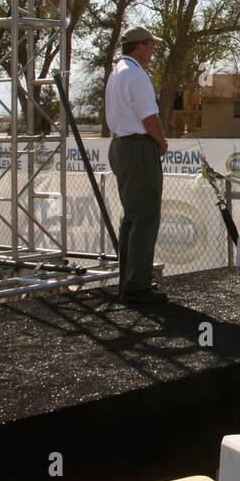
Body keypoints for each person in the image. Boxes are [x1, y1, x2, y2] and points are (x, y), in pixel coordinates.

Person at [105, 26, 169, 304]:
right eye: (150, 45)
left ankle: (128, 281)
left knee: (131, 215)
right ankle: (138, 285)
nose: (153, 50)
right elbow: (149, 117)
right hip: (138, 145)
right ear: (138, 46)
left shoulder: (117, 73)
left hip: (120, 143)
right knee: (145, 215)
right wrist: (162, 141)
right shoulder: (136, 74)